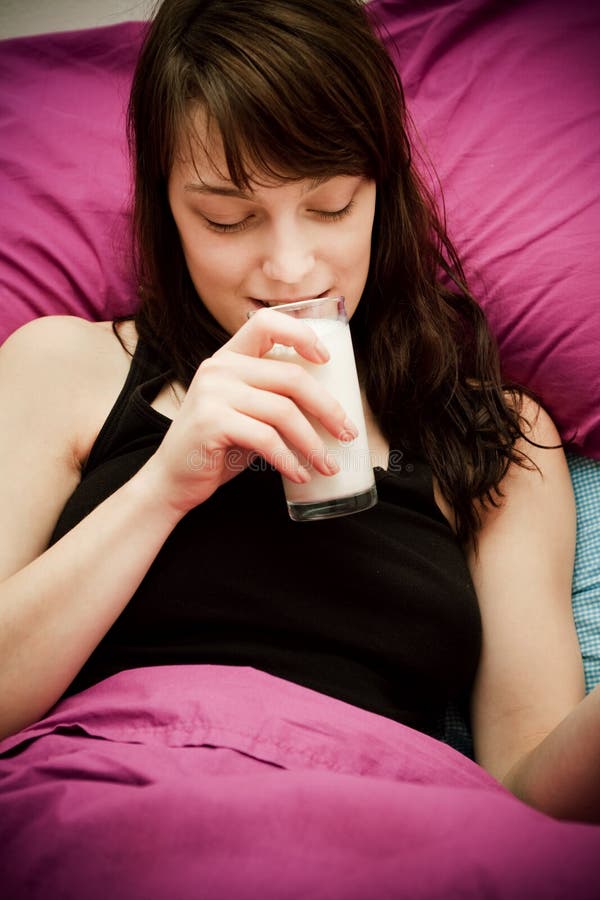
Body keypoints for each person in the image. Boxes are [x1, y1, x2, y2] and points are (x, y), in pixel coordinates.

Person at [0, 0, 598, 828]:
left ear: (383, 192)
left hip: (388, 831)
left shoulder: (496, 441)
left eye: (331, 207)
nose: (289, 269)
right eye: (227, 218)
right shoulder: (63, 367)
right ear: (165, 209)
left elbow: (534, 801)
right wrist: (163, 489)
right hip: (111, 803)